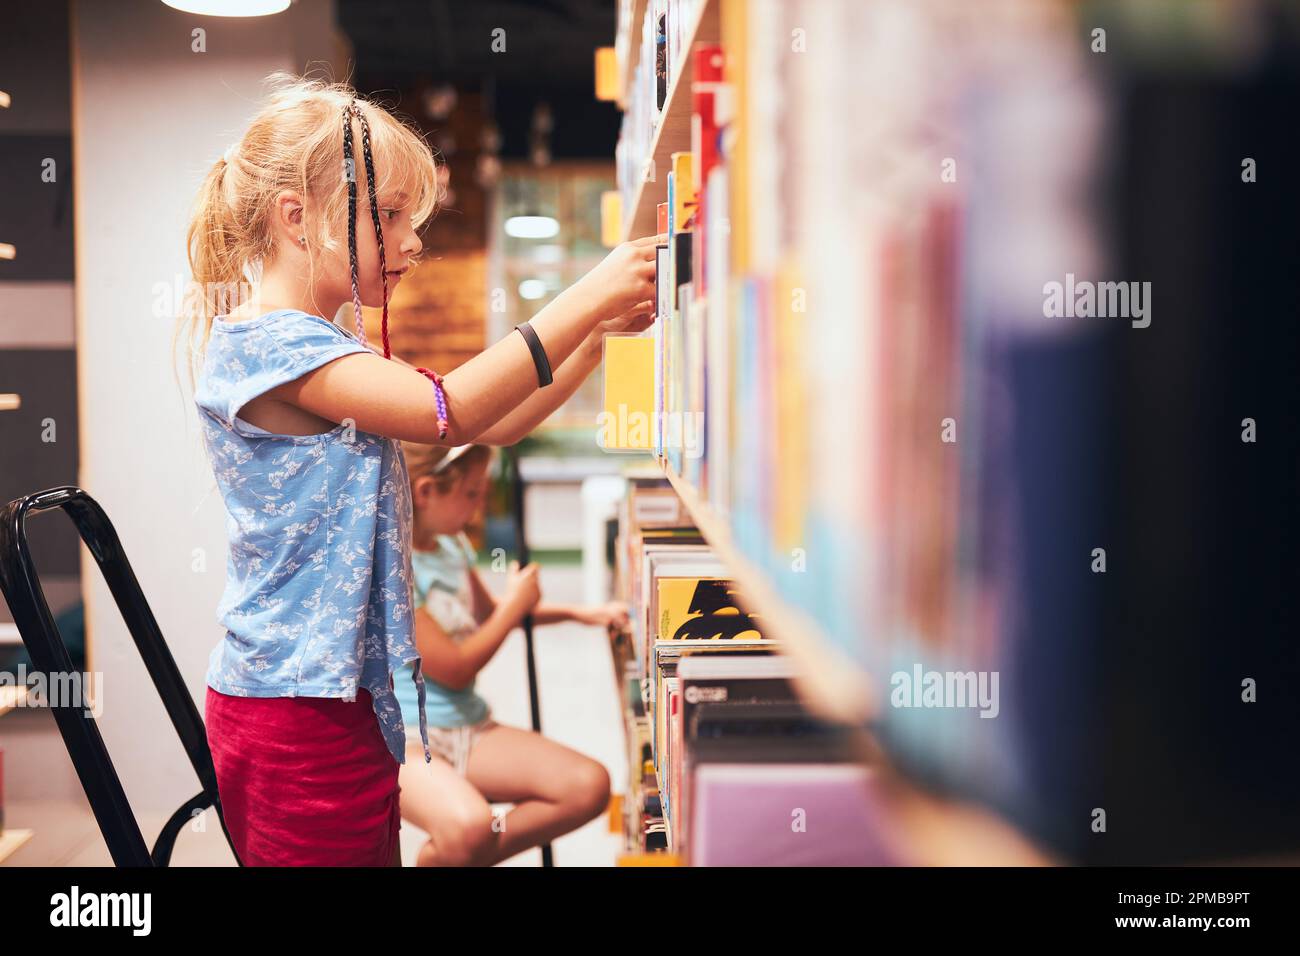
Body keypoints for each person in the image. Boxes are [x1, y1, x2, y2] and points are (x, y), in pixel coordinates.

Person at [180, 72, 656, 866]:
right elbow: (452, 410)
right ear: (298, 218)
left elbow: (486, 425)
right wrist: (588, 291)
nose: (412, 242)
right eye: (391, 216)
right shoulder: (273, 346)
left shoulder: (328, 349)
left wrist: (597, 336)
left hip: (342, 700)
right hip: (295, 710)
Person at [392, 443, 629, 866]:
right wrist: (517, 603)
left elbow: (493, 616)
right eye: (470, 493)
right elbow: (457, 668)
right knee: (472, 827)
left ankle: (453, 856)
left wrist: (582, 613)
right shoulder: (398, 568)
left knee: (587, 786)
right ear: (426, 492)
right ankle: (461, 847)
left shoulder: (454, 548)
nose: (480, 504)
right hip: (410, 740)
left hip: (470, 728)